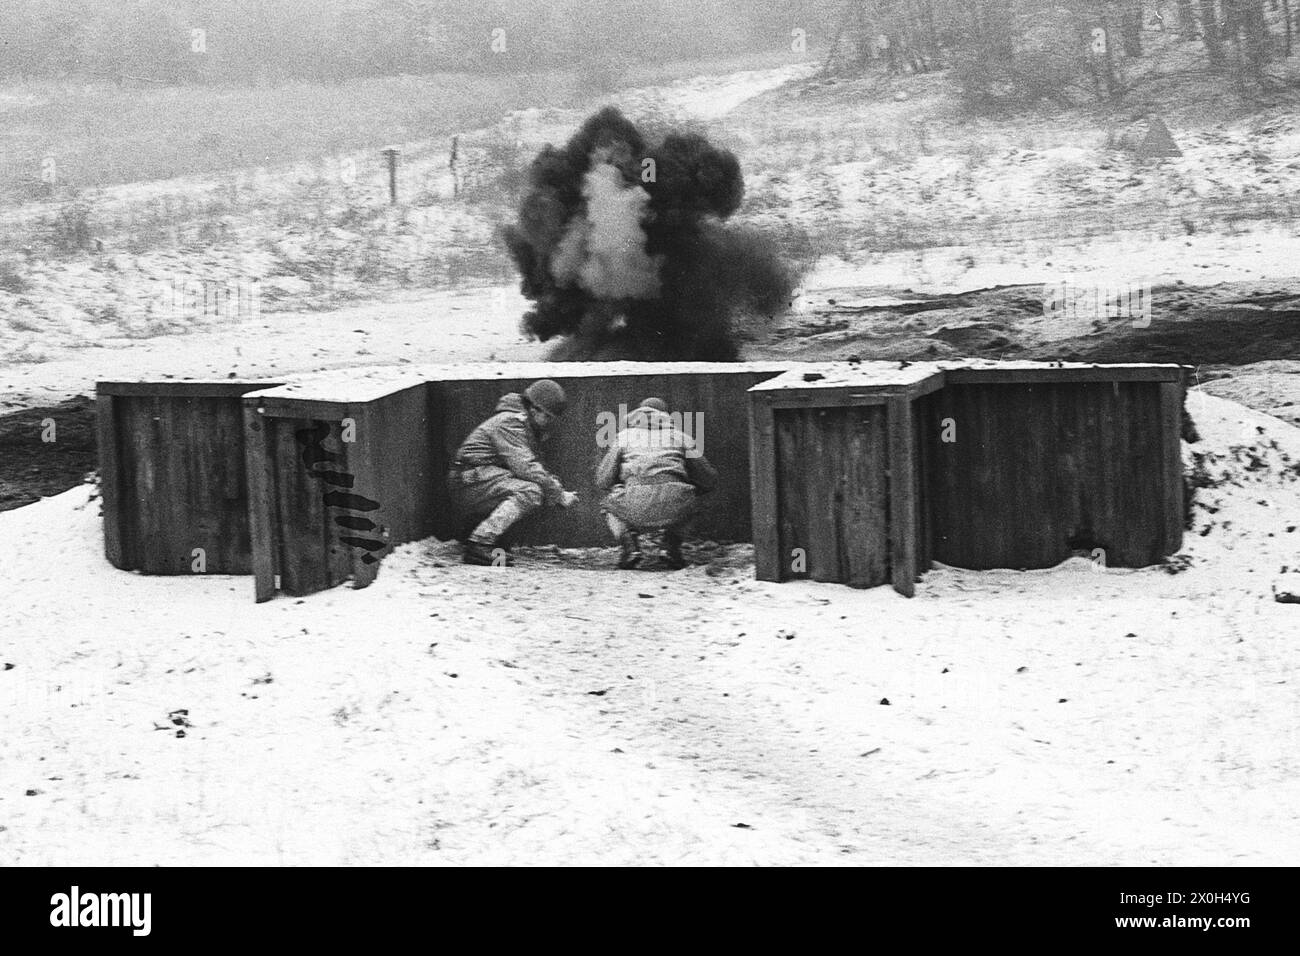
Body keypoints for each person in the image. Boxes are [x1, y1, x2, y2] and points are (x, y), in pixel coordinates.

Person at [447, 379, 578, 565]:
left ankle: (480, 536)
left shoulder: (521, 424)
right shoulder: (511, 422)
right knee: (530, 491)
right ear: (534, 409)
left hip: (477, 479)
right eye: (548, 417)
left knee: (532, 487)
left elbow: (531, 468)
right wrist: (558, 493)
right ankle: (479, 543)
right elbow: (526, 467)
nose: (549, 423)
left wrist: (553, 486)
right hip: (469, 480)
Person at [594, 397, 717, 570]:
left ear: (637, 415)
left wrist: (625, 482)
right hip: (676, 504)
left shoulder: (623, 437)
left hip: (636, 503)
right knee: (694, 500)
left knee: (608, 505)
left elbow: (603, 480)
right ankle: (670, 547)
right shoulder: (681, 437)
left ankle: (630, 547)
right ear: (667, 416)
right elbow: (708, 478)